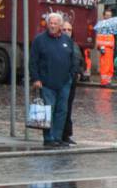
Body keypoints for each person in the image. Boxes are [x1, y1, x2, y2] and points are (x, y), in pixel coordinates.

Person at [29, 12, 79, 148]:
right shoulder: (39, 40)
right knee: (48, 111)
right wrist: (36, 78)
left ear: (60, 25)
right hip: (46, 83)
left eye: (55, 23)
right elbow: (33, 61)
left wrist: (70, 76)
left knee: (62, 110)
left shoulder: (67, 40)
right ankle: (48, 138)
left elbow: (72, 59)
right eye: (50, 23)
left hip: (64, 83)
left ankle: (57, 137)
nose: (52, 25)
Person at [59, 18, 82, 146]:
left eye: (69, 30)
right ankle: (59, 134)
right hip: (61, 79)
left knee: (68, 107)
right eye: (64, 29)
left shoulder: (74, 45)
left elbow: (79, 60)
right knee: (61, 108)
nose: (67, 31)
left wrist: (79, 72)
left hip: (72, 80)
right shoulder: (58, 43)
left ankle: (66, 134)